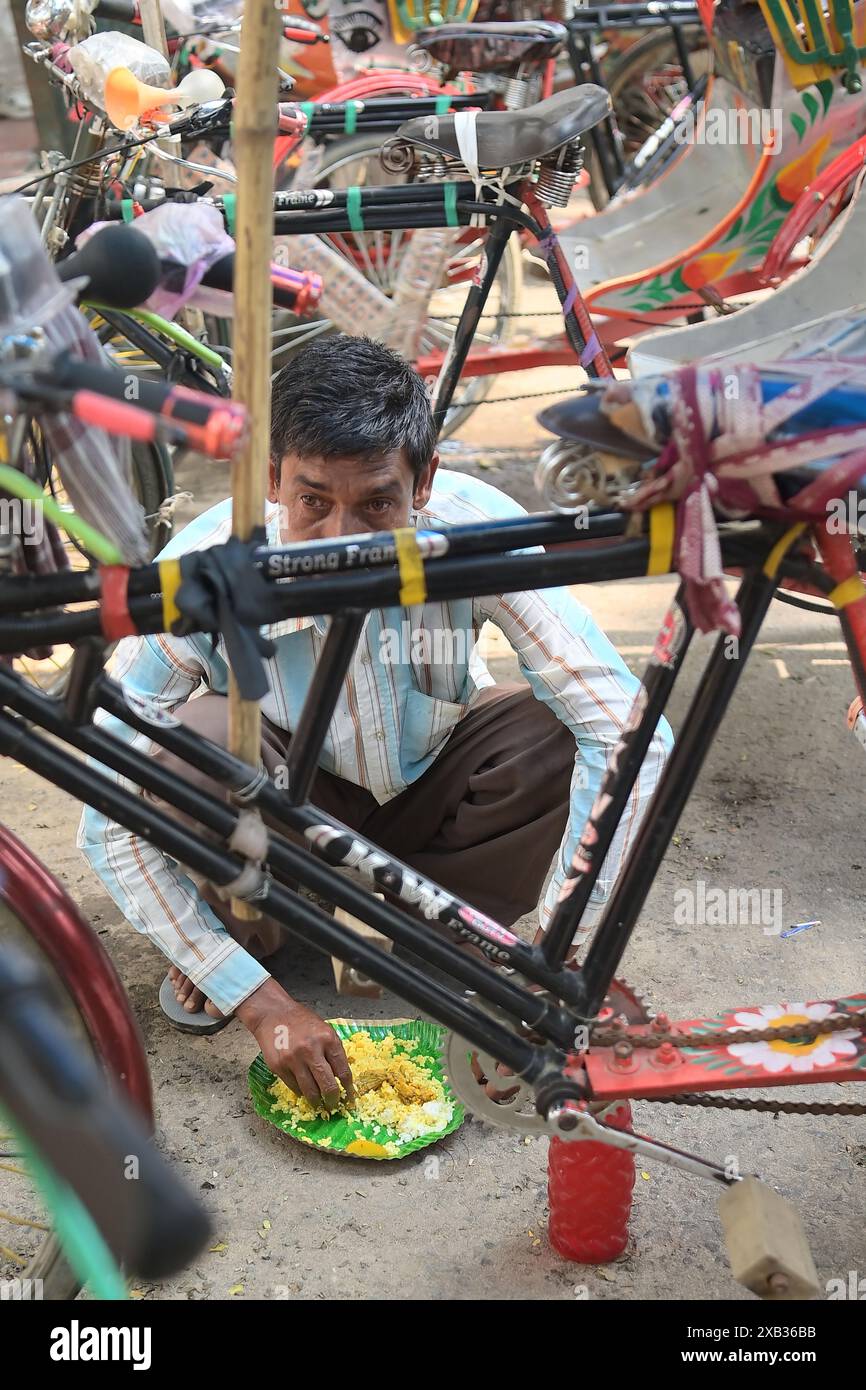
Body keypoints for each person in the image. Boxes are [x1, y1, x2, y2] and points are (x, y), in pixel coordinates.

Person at [79, 334, 672, 1109]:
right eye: (313, 501)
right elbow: (104, 809)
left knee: (563, 735)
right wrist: (254, 997)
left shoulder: (476, 530)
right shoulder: (207, 569)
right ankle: (247, 936)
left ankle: (444, 928)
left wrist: (560, 952)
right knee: (187, 748)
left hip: (430, 803)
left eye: (376, 505)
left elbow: (630, 732)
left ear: (423, 483)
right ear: (270, 481)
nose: (342, 543)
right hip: (286, 819)